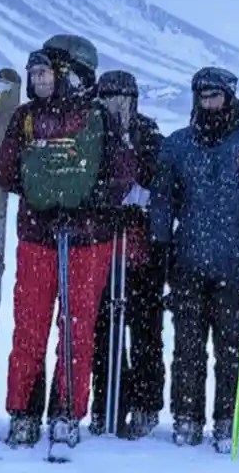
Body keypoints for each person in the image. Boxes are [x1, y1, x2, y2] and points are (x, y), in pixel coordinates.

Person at [0, 35, 139, 449]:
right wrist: (42, 193)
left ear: (71, 74)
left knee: (77, 330)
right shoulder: (26, 118)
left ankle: (67, 412)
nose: (40, 81)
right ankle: (23, 411)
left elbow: (122, 172)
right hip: (38, 237)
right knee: (30, 328)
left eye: (49, 72)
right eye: (36, 73)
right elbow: (4, 171)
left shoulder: (98, 117)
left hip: (88, 241)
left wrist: (89, 199)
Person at [150, 66, 239, 452]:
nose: (209, 103)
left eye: (216, 96)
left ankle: (228, 418)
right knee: (188, 348)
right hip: (189, 261)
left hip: (236, 263)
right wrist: (161, 244)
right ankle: (187, 417)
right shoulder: (178, 145)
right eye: (203, 96)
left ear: (229, 97)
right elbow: (163, 199)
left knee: (232, 348)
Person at [87, 70, 165, 439]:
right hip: (103, 245)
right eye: (107, 97)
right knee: (104, 329)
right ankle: (107, 404)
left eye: (121, 97)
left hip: (142, 249)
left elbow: (160, 180)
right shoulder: (91, 131)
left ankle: (147, 403)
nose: (114, 104)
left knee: (145, 329)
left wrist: (141, 195)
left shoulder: (147, 134)